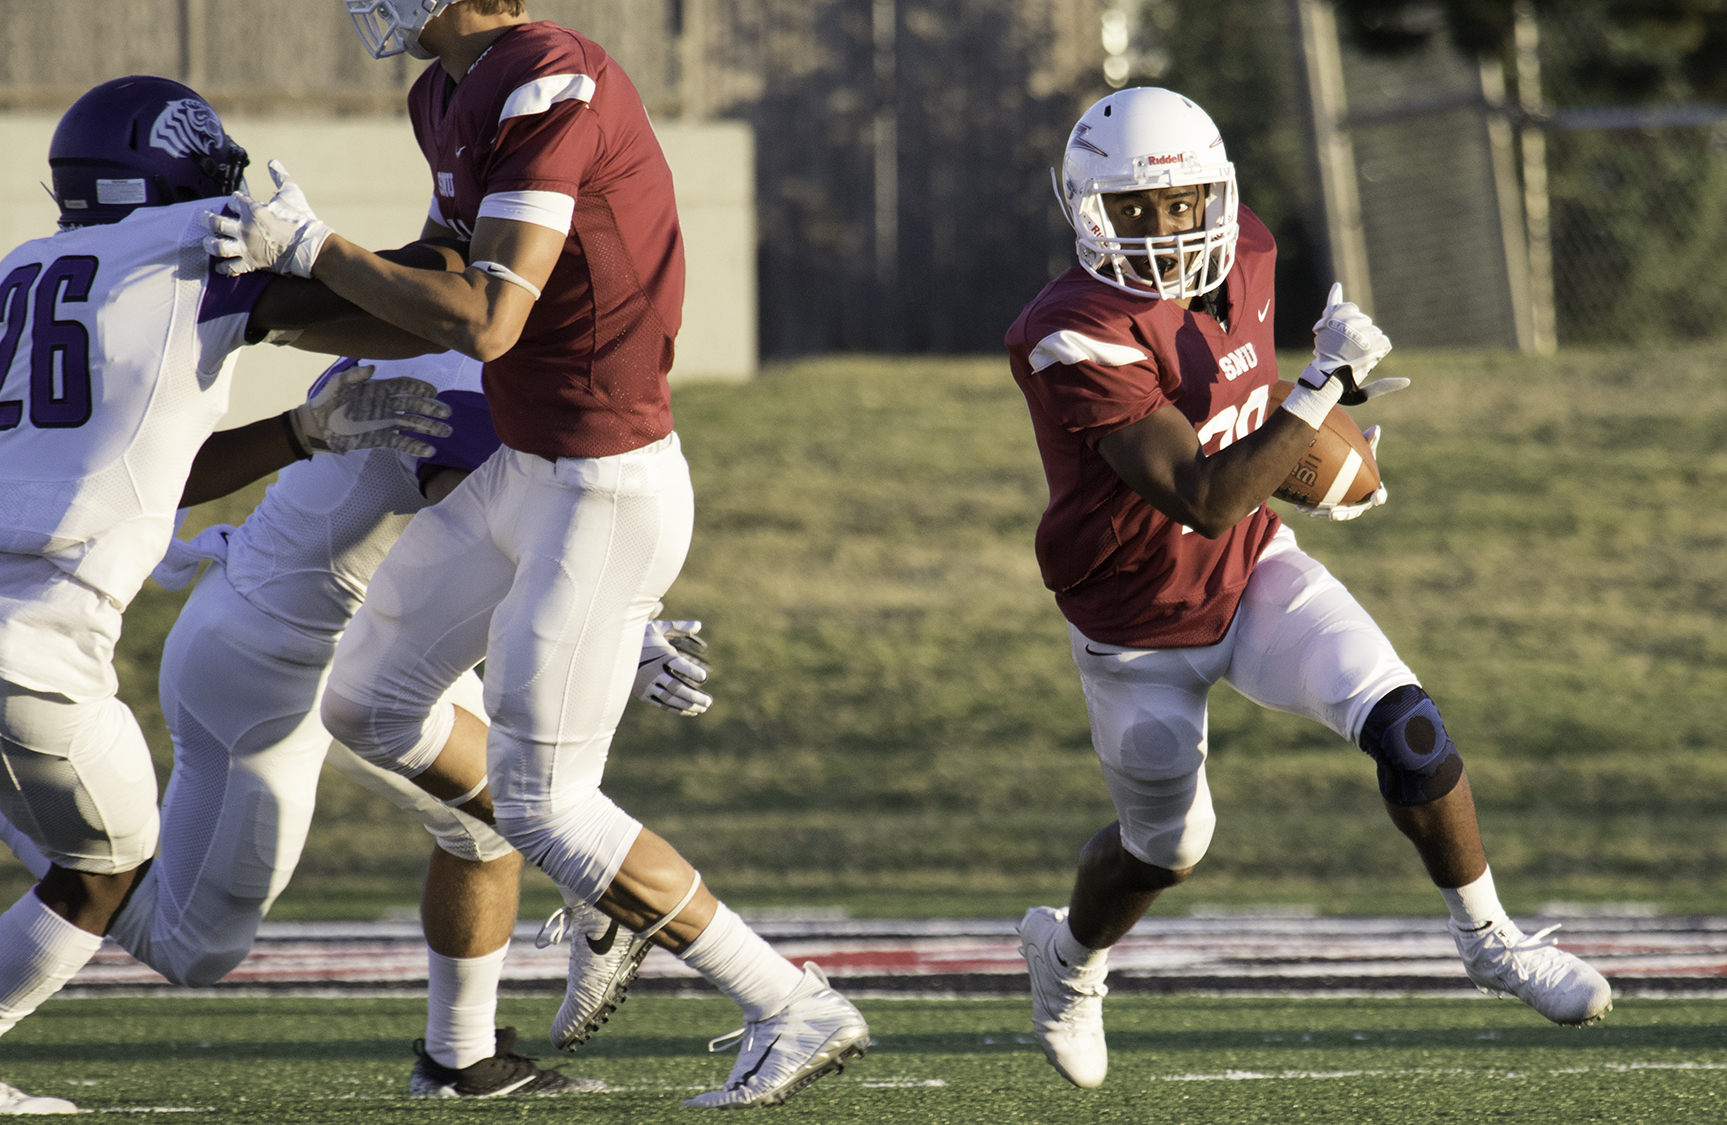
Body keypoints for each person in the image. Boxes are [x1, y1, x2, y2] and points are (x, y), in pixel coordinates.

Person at [208, 1, 869, 1106]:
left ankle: (791, 1003)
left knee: (545, 806)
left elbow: (484, 321)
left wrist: (316, 249)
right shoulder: (448, 90)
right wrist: (271, 310)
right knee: (368, 699)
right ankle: (605, 881)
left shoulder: (549, 81)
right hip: (531, 467)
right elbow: (429, 289)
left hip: (604, 487)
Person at [1004, 86, 1612, 1090]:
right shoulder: (1068, 332)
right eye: (1132, 210)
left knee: (1410, 728)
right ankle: (1068, 963)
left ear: (1217, 194)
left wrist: (1325, 425)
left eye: (1181, 202)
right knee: (1164, 849)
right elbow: (1200, 493)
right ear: (1081, 208)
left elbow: (1233, 405)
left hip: (1250, 573)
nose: (1162, 231)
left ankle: (1490, 939)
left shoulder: (1244, 250)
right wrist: (1316, 388)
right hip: (1132, 629)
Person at [0, 76, 455, 1114]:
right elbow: (404, 310)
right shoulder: (192, 247)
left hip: (19, 619)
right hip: (38, 639)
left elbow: (154, 465)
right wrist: (398, 246)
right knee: (107, 868)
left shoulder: (18, 272)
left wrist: (300, 435)